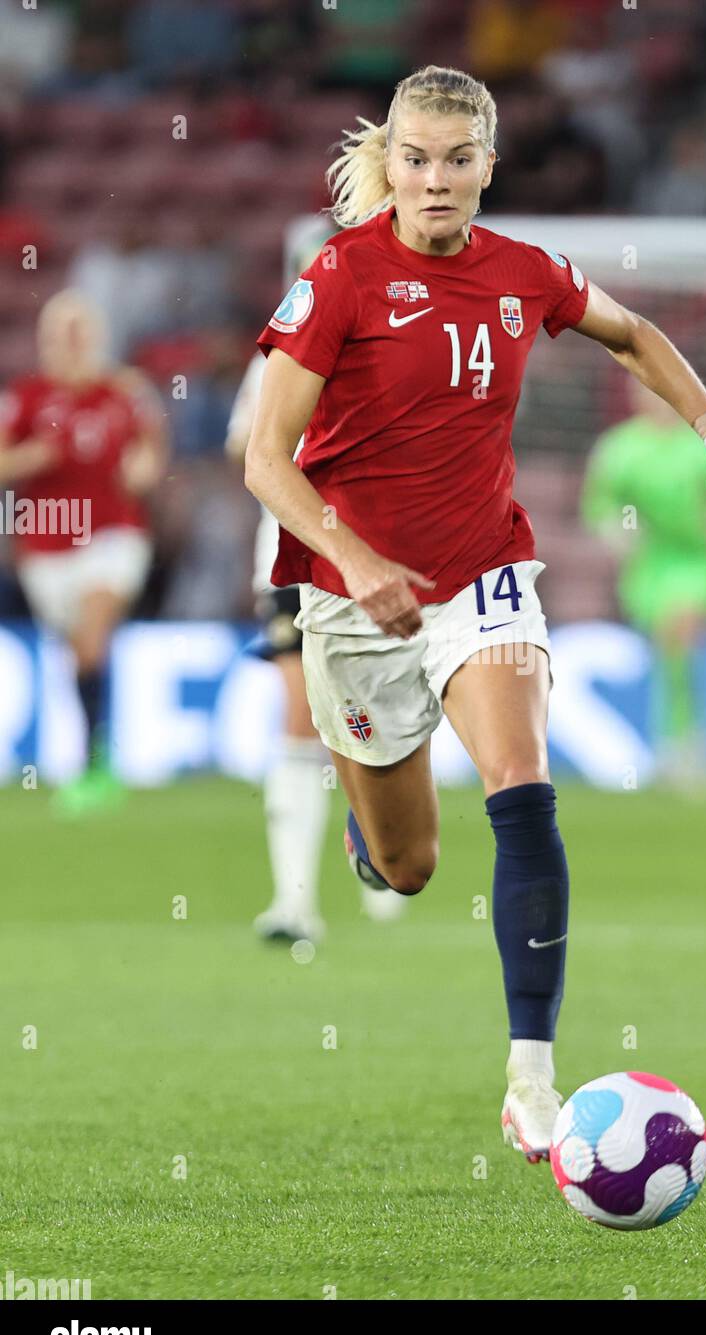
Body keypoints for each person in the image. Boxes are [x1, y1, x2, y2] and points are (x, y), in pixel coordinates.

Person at [244, 65, 706, 1163]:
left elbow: (633, 332)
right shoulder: (338, 278)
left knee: (525, 790)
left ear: (489, 165)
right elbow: (267, 460)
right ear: (391, 164)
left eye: (458, 159)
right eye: (415, 158)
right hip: (354, 599)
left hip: (483, 573)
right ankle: (373, 829)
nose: (435, 180)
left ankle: (529, 1079)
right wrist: (354, 562)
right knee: (407, 867)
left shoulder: (523, 274)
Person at [225, 227, 406, 943]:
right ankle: (294, 903)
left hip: (378, 558)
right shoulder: (284, 347)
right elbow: (248, 444)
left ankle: (387, 853)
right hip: (292, 558)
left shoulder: (396, 348)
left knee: (367, 718)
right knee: (300, 714)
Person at [0, 290, 167, 814]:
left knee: (93, 639)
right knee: (79, 654)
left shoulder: (124, 391)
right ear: (46, 340)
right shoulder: (26, 397)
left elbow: (152, 449)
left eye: (81, 332)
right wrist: (34, 457)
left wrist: (144, 467)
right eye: (62, 333)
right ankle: (95, 753)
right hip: (46, 545)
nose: (72, 344)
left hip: (114, 534)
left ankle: (96, 764)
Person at [582, 379, 706, 794]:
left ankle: (685, 749)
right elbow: (599, 502)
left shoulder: (701, 448)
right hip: (650, 566)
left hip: (697, 562)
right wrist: (617, 531)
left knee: (681, 630)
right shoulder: (619, 448)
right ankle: (681, 743)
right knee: (672, 653)